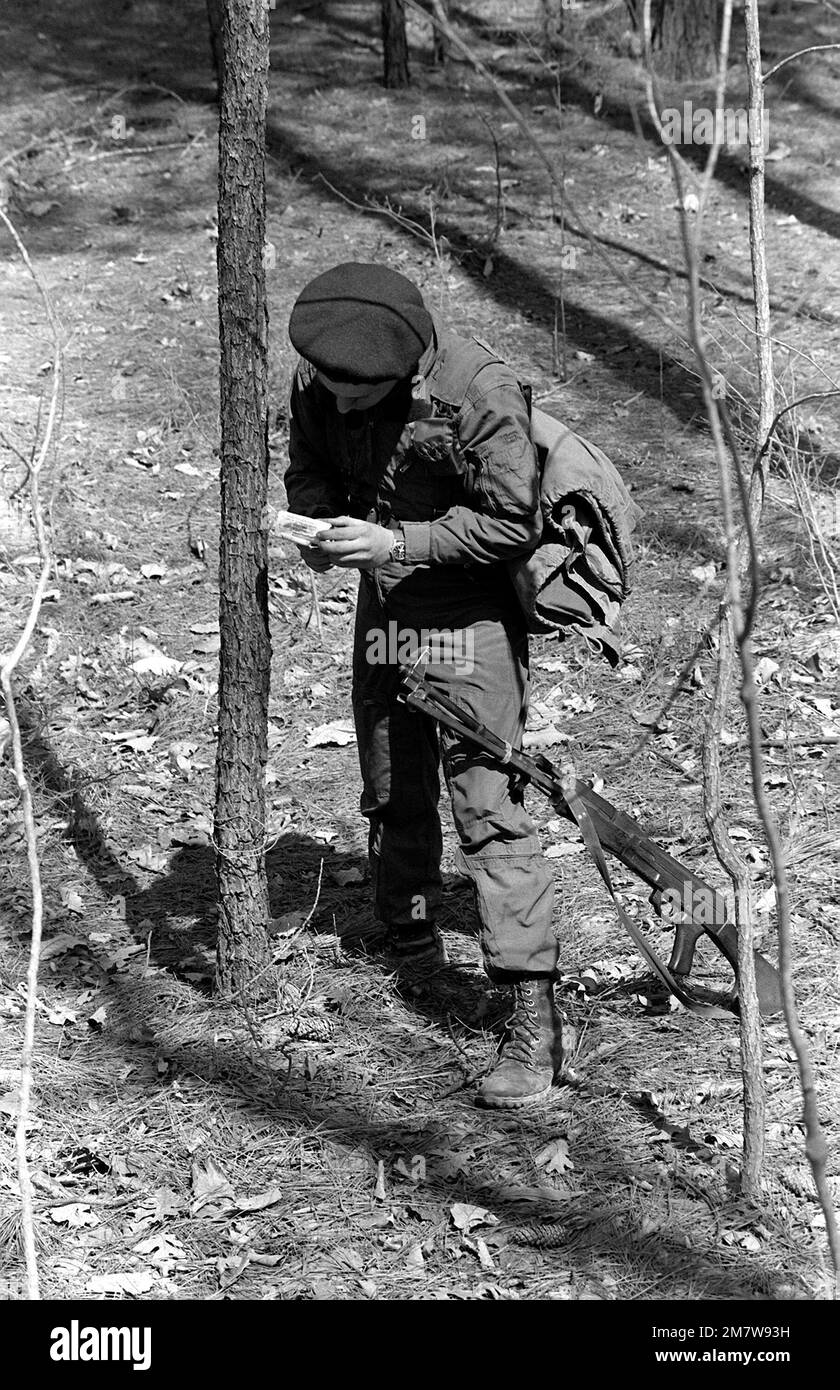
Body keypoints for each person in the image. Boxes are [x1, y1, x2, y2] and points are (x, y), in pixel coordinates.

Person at [284, 262, 560, 1109]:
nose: (339, 402)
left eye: (358, 394)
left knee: (487, 807)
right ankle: (405, 932)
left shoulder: (478, 390)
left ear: (405, 373)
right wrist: (318, 522)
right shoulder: (326, 375)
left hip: (469, 616)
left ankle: (531, 1016)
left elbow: (515, 522)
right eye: (328, 385)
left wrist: (398, 544)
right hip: (383, 605)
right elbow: (309, 463)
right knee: (389, 777)